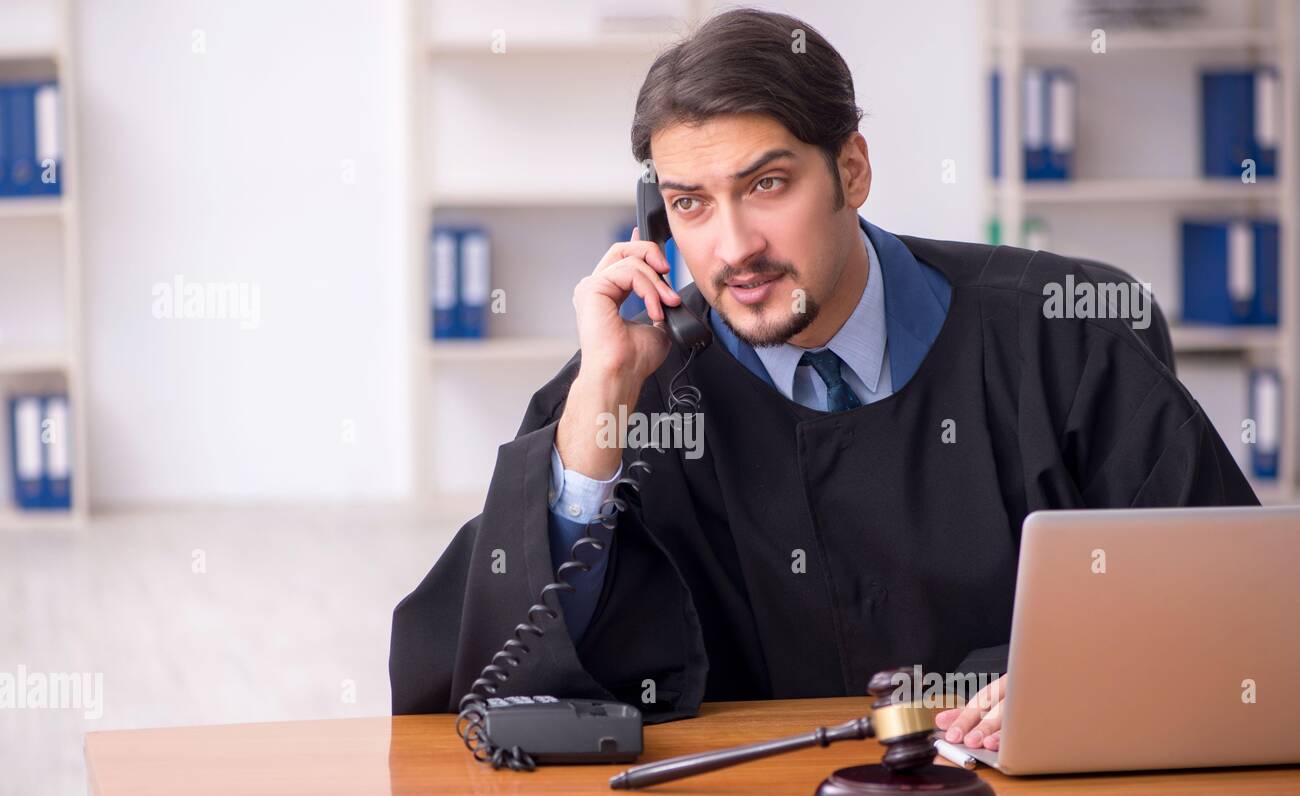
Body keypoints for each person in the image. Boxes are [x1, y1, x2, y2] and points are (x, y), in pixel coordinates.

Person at [390, 8, 1257, 752]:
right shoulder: (633, 384)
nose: (732, 249)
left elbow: (1238, 613)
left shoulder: (1062, 334)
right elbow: (472, 688)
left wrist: (1078, 680)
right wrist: (598, 425)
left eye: (767, 184)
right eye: (690, 203)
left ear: (851, 169)